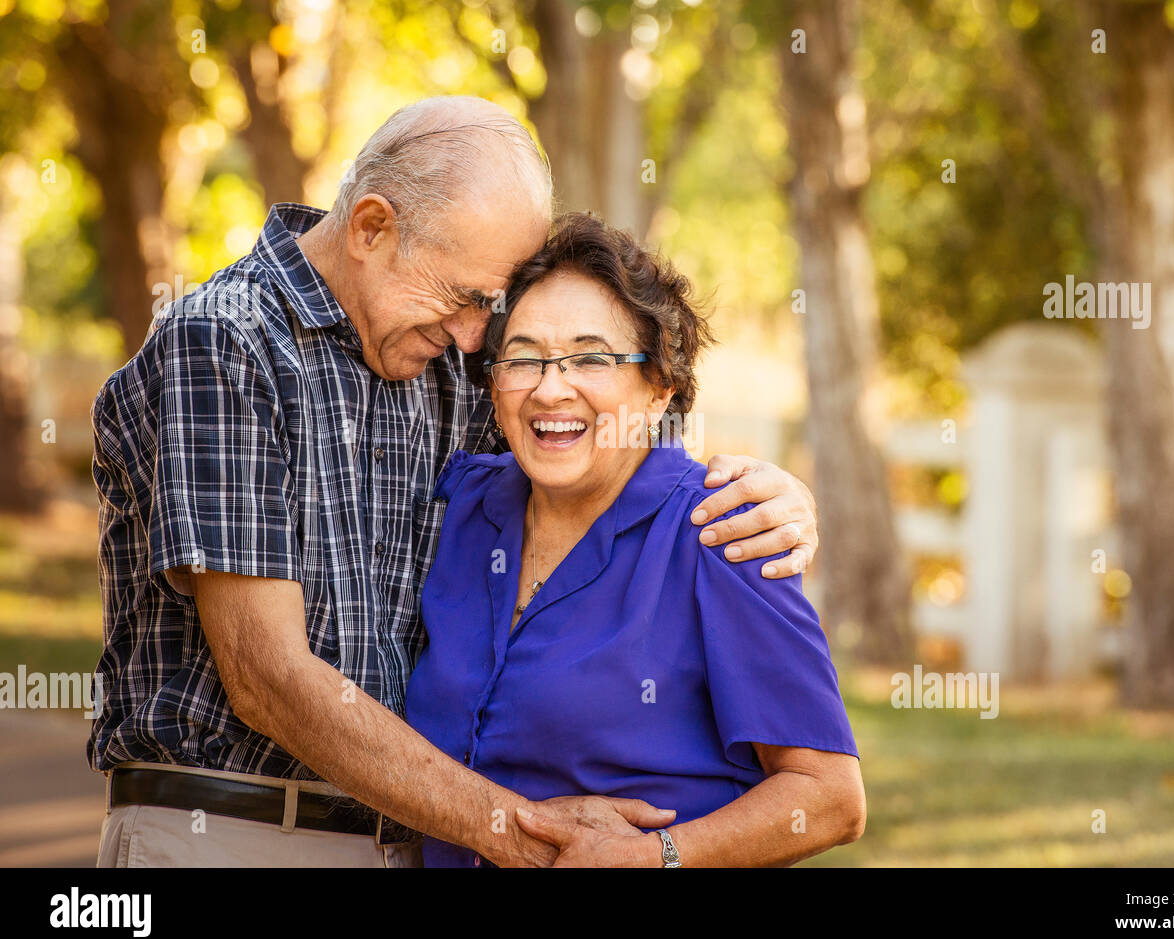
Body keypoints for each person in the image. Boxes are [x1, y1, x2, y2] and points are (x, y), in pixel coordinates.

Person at [89, 95, 824, 867]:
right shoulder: (225, 343)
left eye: (494, 309)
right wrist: (524, 832)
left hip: (405, 837)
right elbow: (266, 678)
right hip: (237, 833)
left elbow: (597, 437)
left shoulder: (437, 356)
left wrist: (771, 493)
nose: (478, 338)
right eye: (468, 297)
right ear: (372, 227)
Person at [406, 212, 865, 867]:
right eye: (524, 357)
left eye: (591, 357)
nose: (550, 387)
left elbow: (830, 798)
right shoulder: (463, 504)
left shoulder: (721, 530)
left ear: (660, 387)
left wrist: (660, 855)